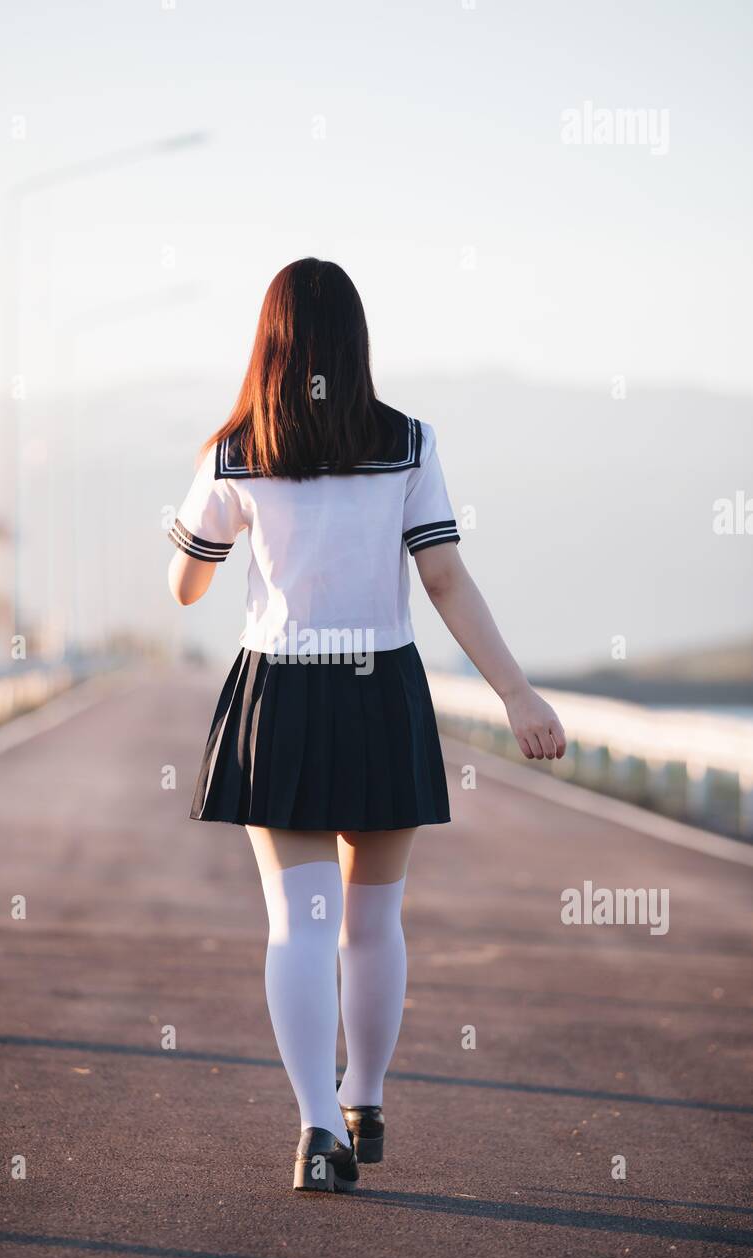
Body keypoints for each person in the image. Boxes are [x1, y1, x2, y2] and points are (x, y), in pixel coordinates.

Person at [167, 258, 566, 1193]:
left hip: (282, 694)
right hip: (380, 685)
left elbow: (187, 587)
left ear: (268, 342)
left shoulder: (233, 449)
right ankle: (366, 1096)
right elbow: (444, 579)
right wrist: (517, 693)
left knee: (297, 926)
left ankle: (315, 1130)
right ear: (356, 342)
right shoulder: (410, 443)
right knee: (372, 921)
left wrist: (206, 527)